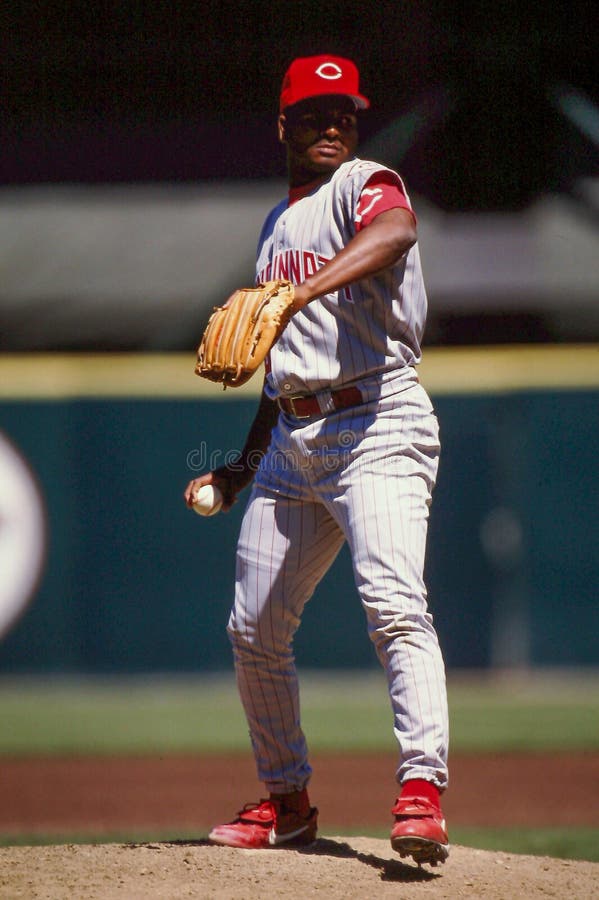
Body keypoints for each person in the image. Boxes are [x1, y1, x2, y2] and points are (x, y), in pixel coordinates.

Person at [184, 54, 449, 866]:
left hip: (377, 422)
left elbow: (395, 230)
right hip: (292, 442)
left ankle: (422, 791)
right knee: (253, 628)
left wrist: (299, 292)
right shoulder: (274, 227)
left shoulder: (369, 183)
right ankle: (286, 801)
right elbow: (282, 370)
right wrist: (237, 467)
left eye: (343, 111)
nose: (332, 124)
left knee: (394, 605)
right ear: (283, 124)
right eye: (313, 112)